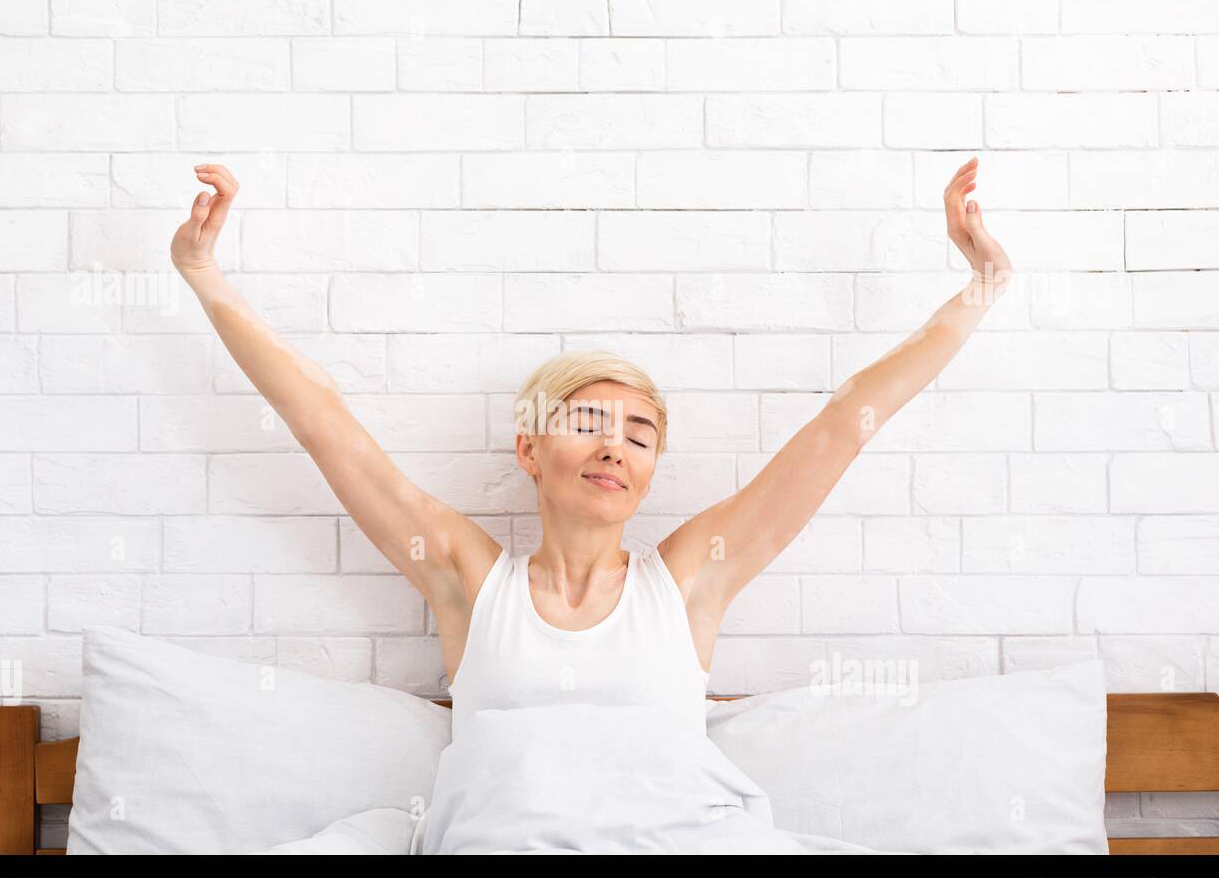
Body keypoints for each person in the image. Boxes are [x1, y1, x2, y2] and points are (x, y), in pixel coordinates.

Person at [170, 159, 1011, 738]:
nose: (616, 446)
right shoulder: (468, 581)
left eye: (640, 435)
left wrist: (981, 290)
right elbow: (324, 425)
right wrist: (204, 273)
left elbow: (843, 425)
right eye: (588, 424)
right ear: (531, 450)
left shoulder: (690, 580)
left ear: (648, 474)